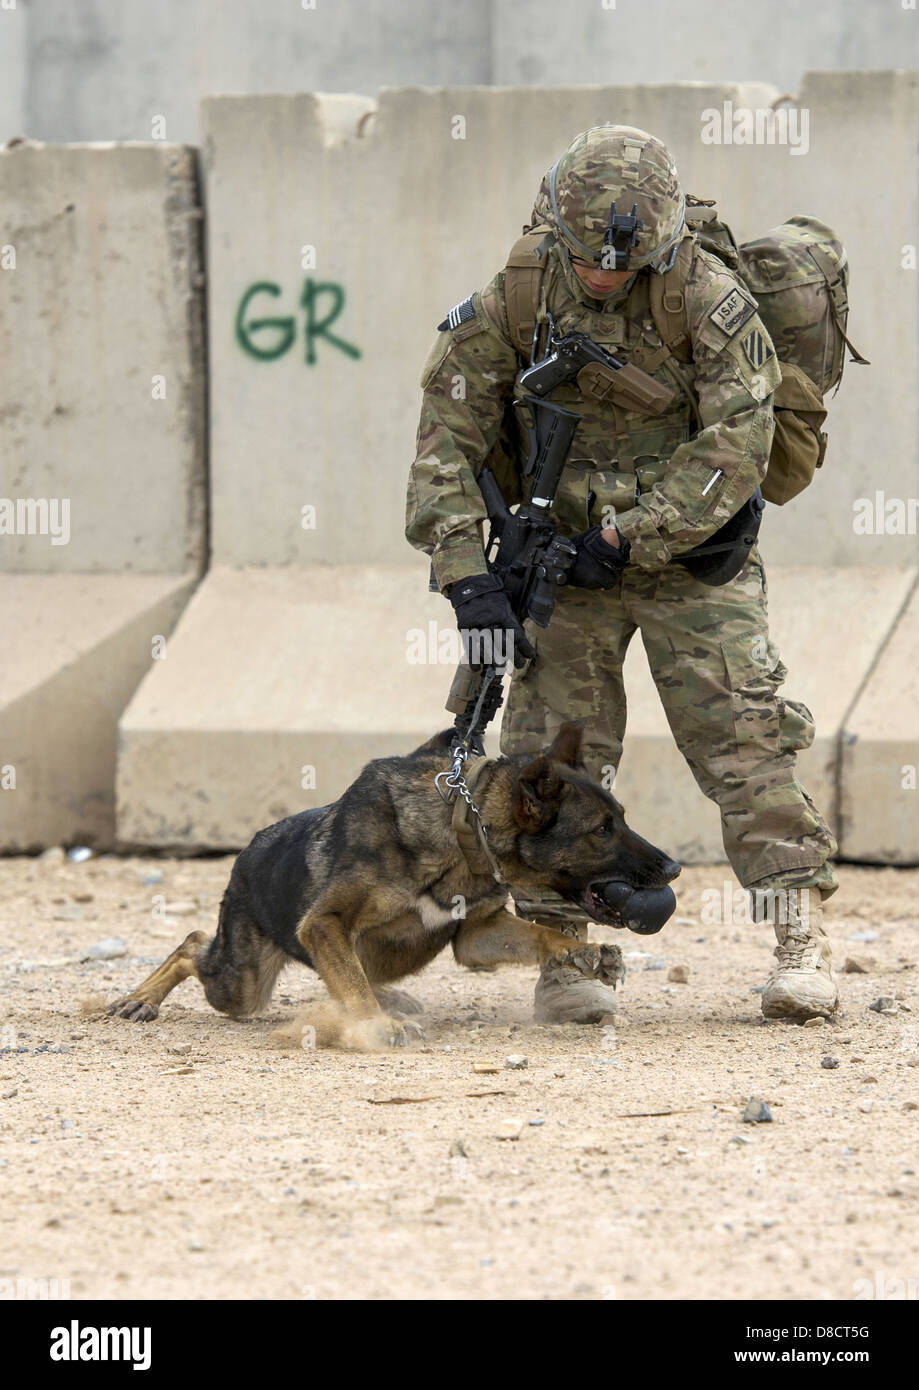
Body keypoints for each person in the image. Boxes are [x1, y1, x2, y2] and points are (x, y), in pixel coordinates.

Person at [406, 125, 838, 1025]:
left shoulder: (706, 298)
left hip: (689, 558)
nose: (602, 276)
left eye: (622, 263)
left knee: (744, 739)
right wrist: (465, 576)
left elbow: (736, 445)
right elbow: (445, 441)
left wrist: (634, 533)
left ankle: (799, 938)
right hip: (564, 566)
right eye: (587, 261)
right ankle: (569, 956)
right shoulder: (516, 297)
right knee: (547, 769)